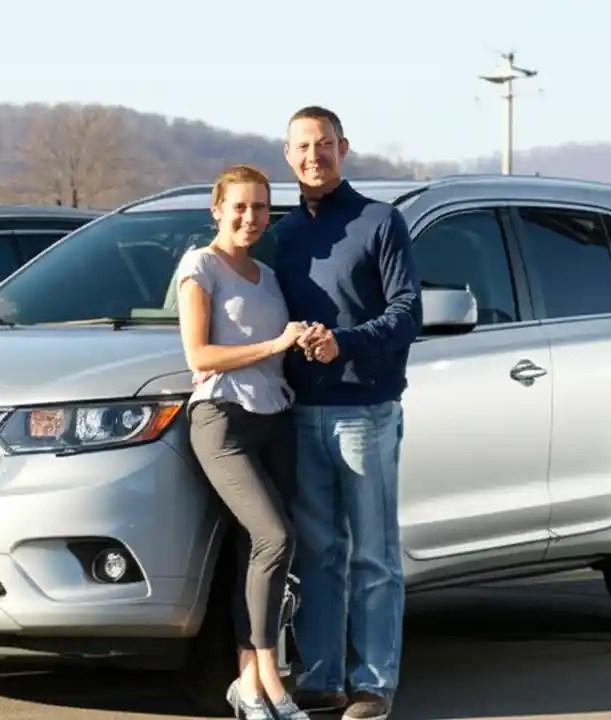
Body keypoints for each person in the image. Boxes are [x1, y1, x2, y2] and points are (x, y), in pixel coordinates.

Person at [273, 106, 423, 720]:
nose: (315, 156)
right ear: (288, 155)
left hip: (365, 409)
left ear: (344, 148)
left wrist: (347, 341)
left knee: (373, 555)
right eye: (304, 146)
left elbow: (408, 310)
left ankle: (373, 686)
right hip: (299, 410)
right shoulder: (279, 234)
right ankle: (321, 680)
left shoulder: (380, 221)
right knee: (318, 554)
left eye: (325, 144)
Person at [175, 163, 312, 720]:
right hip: (222, 420)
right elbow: (199, 357)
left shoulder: (268, 275)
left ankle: (249, 686)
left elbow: (277, 349)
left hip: (274, 418)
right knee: (274, 537)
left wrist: (304, 342)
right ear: (217, 209)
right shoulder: (200, 266)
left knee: (254, 553)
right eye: (240, 206)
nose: (251, 217)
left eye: (259, 207)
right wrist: (276, 342)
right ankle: (273, 682)